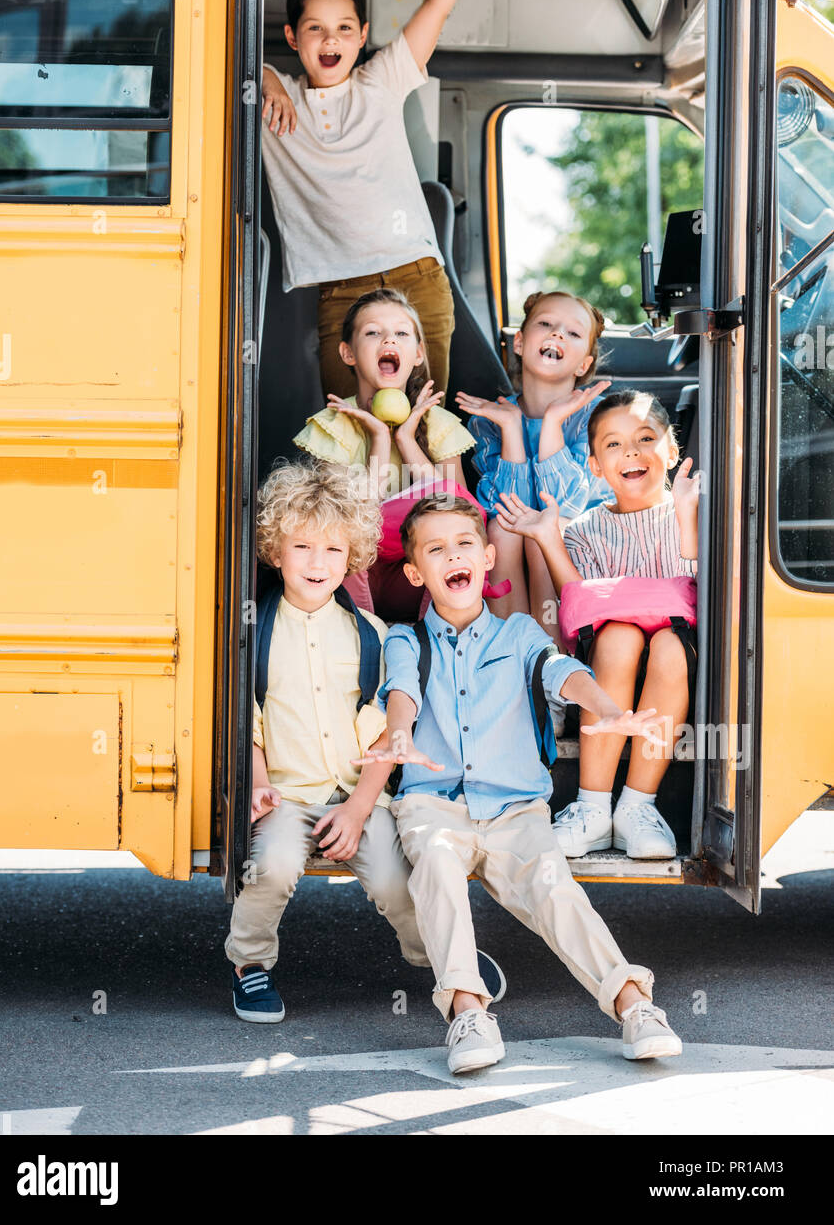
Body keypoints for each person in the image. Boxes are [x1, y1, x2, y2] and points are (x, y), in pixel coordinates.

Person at [360, 493, 683, 1073]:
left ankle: (634, 1004)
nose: (452, 555)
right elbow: (402, 689)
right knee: (435, 865)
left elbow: (565, 673)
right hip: (434, 804)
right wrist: (400, 732)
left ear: (487, 559)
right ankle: (468, 1011)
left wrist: (606, 709)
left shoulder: (522, 635)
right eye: (435, 549)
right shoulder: (405, 640)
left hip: (515, 810)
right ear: (415, 573)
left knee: (556, 887)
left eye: (464, 544)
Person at [226, 460, 505, 1021]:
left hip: (359, 795)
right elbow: (248, 719)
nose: (317, 563)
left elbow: (385, 735)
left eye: (333, 551)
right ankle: (250, 964)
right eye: (301, 547)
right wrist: (258, 785)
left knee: (397, 881)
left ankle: (445, 958)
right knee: (271, 868)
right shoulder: (252, 633)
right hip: (287, 794)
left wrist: (357, 810)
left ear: (351, 556)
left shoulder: (371, 638)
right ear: (275, 551)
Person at [259, 0, 504, 400]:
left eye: (344, 28)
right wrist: (265, 73)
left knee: (424, 435)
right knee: (346, 445)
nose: (331, 41)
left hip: (415, 278)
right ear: (293, 37)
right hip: (339, 293)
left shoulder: (381, 82)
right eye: (315, 29)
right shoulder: (271, 102)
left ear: (362, 34)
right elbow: (207, 52)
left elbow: (437, 2)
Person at [495, 389, 700, 860]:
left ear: (672, 451)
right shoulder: (587, 527)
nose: (631, 452)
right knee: (619, 635)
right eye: (613, 444)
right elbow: (581, 601)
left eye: (646, 438)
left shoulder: (691, 511)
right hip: (609, 651)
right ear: (594, 467)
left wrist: (688, 516)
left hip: (678, 648)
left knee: (667, 645)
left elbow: (700, 585)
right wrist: (551, 539)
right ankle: (591, 806)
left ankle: (637, 808)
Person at [293, 289, 494, 621]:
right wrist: (380, 441)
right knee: (337, 533)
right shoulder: (332, 426)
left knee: (451, 534)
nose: (389, 339)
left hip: (417, 576)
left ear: (417, 354)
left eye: (401, 333)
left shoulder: (438, 423)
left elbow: (459, 513)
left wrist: (406, 440)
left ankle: (440, 640)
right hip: (354, 573)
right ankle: (363, 640)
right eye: (373, 332)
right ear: (348, 353)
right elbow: (338, 524)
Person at [456, 290, 612, 636]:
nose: (557, 333)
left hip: (586, 535)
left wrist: (554, 423)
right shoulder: (489, 420)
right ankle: (508, 654)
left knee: (545, 531)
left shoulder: (595, 416)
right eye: (546, 324)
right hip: (521, 527)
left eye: (572, 333)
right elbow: (504, 506)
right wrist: (511, 427)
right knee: (500, 531)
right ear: (521, 343)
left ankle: (553, 659)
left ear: (583, 365)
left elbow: (564, 503)